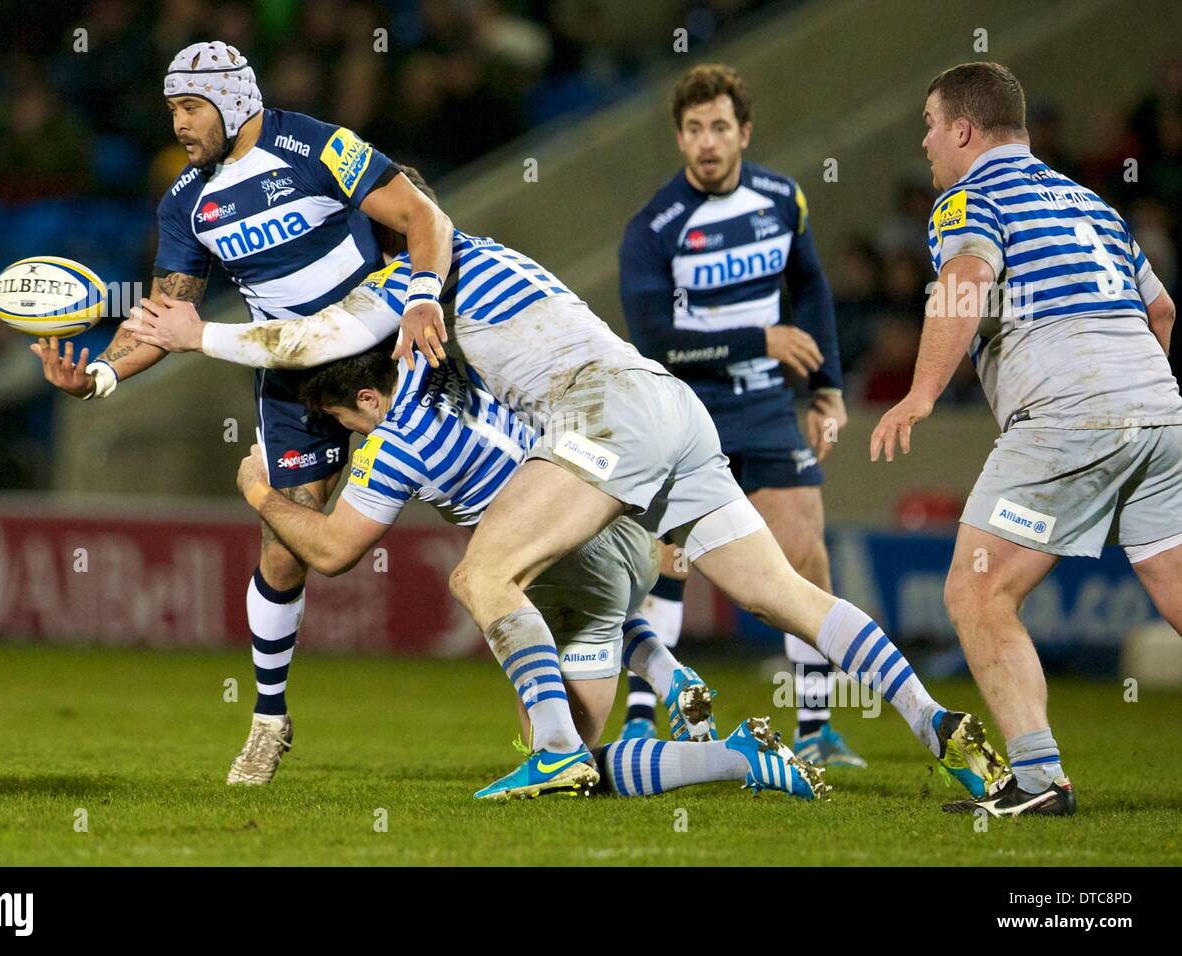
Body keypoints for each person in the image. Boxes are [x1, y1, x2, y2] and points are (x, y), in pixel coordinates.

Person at [131, 165, 1008, 802]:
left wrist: (192, 334)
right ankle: (937, 725)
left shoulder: (407, 285)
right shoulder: (484, 260)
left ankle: (554, 748)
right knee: (787, 596)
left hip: (601, 416)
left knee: (479, 574)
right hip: (670, 407)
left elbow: (304, 345)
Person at [31, 41, 453, 785]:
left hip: (385, 354)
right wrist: (99, 374)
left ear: (231, 100)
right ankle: (267, 720)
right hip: (291, 380)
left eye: (191, 108)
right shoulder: (186, 201)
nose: (180, 126)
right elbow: (167, 314)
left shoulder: (318, 144)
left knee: (478, 498)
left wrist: (420, 296)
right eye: (171, 111)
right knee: (286, 548)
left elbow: (420, 213)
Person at [230, 340, 826, 801]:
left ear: (367, 399)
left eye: (347, 420)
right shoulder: (436, 358)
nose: (354, 436)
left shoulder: (392, 446)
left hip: (574, 566)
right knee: (548, 627)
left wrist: (259, 493)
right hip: (617, 514)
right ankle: (667, 674)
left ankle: (739, 756)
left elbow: (334, 553)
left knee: (571, 763)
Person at [872, 62, 1182, 817]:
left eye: (931, 125)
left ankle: (1040, 781)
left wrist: (919, 393)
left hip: (1070, 412)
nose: (924, 141)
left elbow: (966, 282)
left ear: (965, 130)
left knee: (975, 591)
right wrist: (1134, 406)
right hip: (1161, 410)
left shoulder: (968, 198)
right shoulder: (1093, 203)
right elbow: (1164, 310)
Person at [618, 63, 863, 767]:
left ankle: (815, 727)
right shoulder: (655, 227)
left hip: (765, 405)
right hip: (688, 407)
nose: (706, 142)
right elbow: (655, 340)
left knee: (805, 554)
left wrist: (826, 387)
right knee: (672, 559)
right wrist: (761, 339)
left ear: (744, 132)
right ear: (679, 139)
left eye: (719, 127)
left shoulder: (782, 199)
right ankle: (642, 719)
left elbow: (811, 287)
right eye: (693, 129)